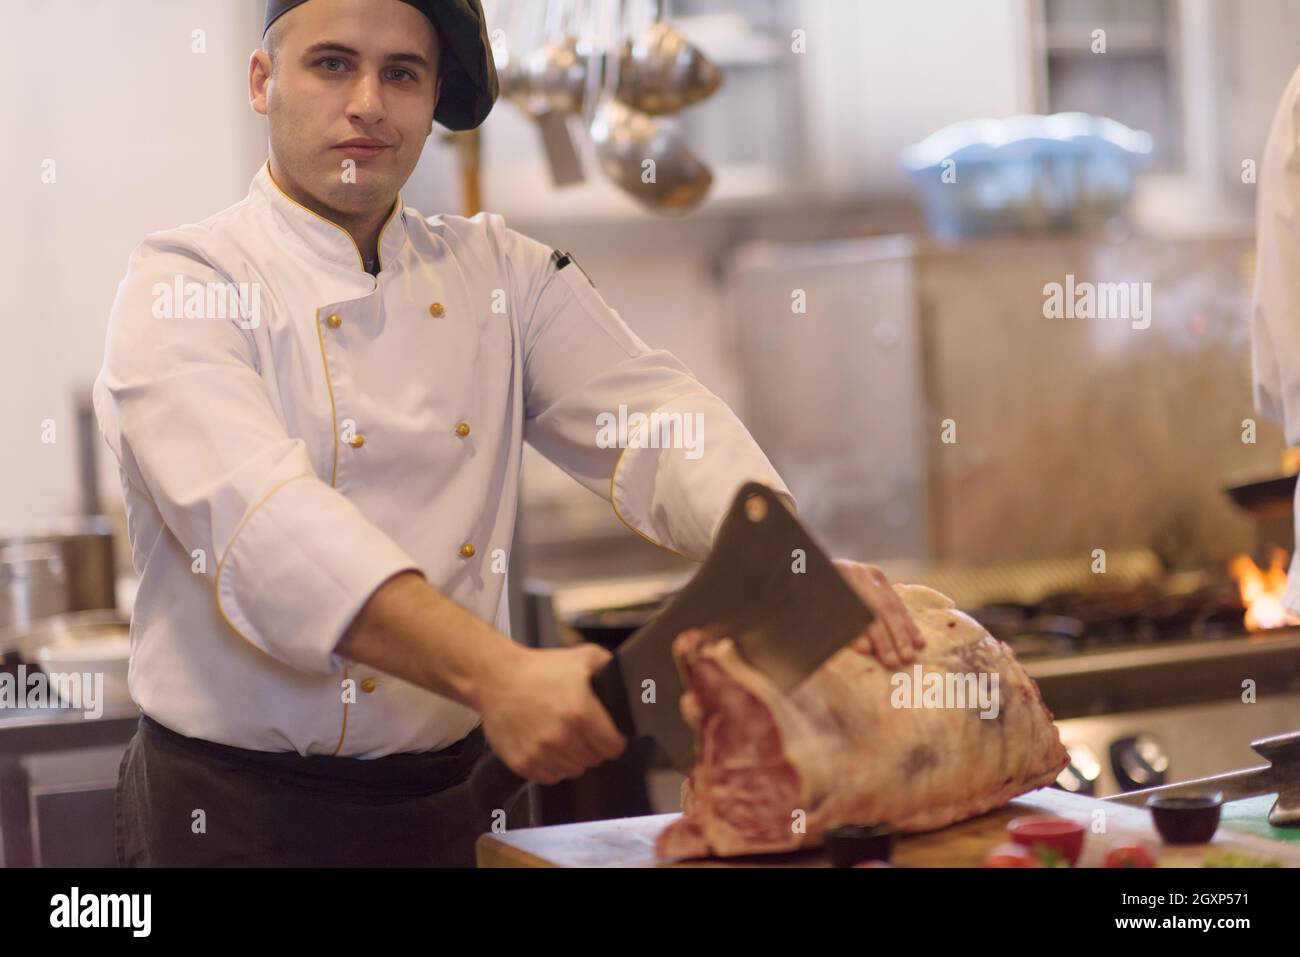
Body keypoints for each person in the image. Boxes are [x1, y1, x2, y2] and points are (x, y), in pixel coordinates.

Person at [93, 0, 924, 867]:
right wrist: (498, 673)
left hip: (451, 804)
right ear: (263, 81)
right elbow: (262, 524)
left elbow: (653, 419)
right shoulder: (182, 283)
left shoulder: (501, 271)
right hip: (234, 818)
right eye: (333, 64)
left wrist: (782, 556)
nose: (369, 102)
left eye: (402, 73)